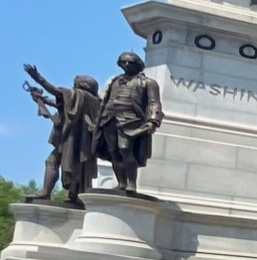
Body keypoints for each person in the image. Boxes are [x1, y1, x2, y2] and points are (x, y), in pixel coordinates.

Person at [22, 66, 102, 206]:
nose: (74, 82)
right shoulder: (94, 101)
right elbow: (65, 106)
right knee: (71, 166)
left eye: (77, 81)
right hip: (81, 142)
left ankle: (46, 193)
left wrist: (38, 77)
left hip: (70, 139)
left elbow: (56, 92)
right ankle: (73, 194)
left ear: (83, 84)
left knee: (51, 162)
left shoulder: (79, 94)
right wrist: (43, 100)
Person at [97, 52, 162, 195]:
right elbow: (105, 100)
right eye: (123, 62)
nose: (126, 65)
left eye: (130, 62)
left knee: (125, 149)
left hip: (131, 121)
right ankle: (121, 183)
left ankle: (131, 183)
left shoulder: (148, 83)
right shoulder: (115, 81)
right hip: (110, 119)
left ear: (138, 64)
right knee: (113, 152)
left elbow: (154, 103)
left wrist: (153, 120)